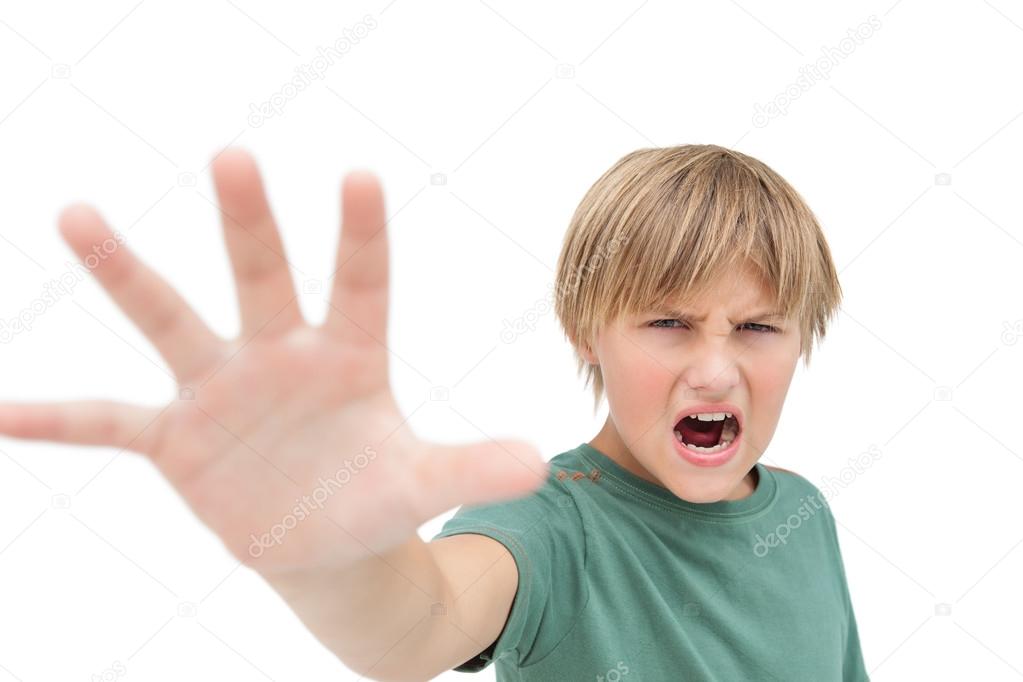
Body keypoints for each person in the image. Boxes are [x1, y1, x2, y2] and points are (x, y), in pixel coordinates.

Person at [0, 144, 868, 680]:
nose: (714, 370)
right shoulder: (548, 522)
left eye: (755, 327)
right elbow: (417, 626)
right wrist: (331, 554)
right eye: (668, 324)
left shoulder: (801, 514)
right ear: (584, 333)